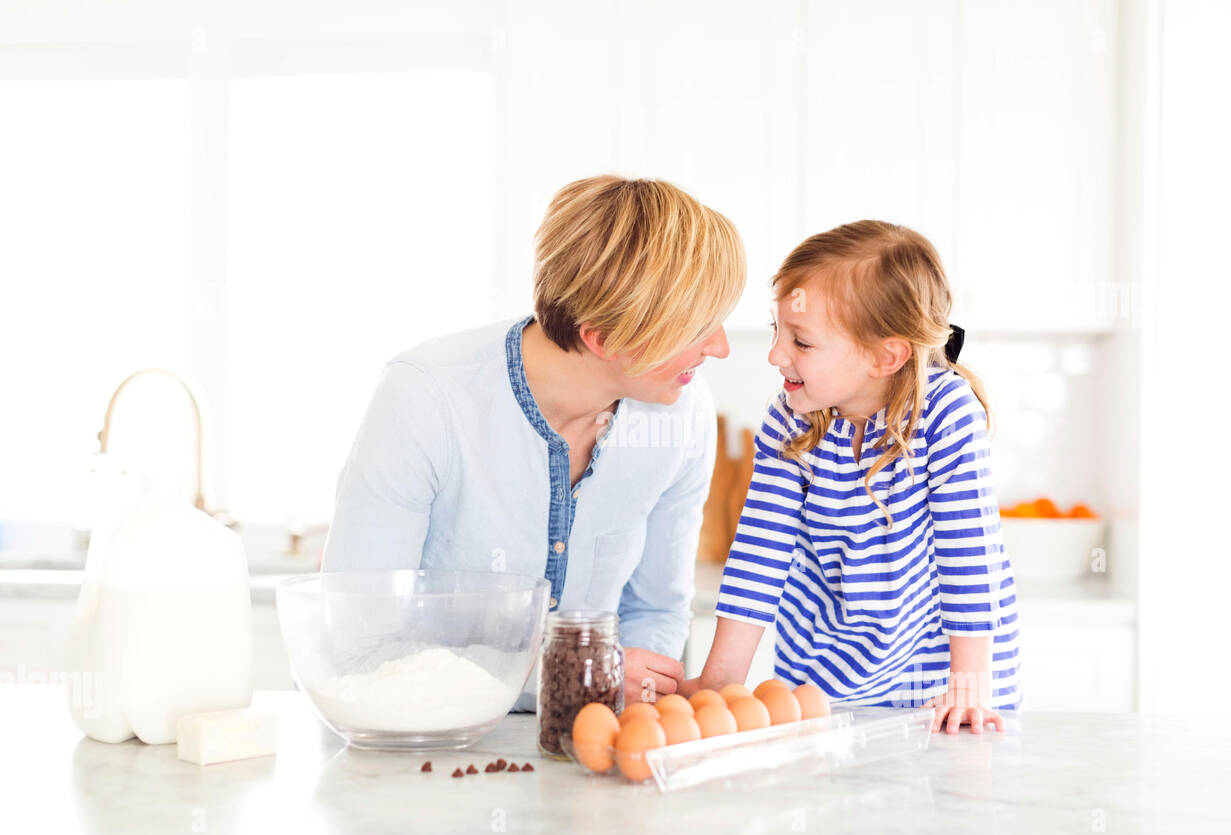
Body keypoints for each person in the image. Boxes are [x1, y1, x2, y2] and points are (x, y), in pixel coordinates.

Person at [321, 175, 744, 709]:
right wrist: (581, 676)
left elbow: (656, 612)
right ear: (604, 339)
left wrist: (620, 692)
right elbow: (359, 638)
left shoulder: (684, 415)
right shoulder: (426, 399)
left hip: (588, 759)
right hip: (420, 745)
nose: (722, 347)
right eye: (698, 327)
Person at [678, 220, 1021, 733]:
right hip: (823, 676)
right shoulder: (791, 418)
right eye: (777, 332)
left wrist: (967, 687)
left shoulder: (946, 414)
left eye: (802, 342)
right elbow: (759, 553)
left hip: (942, 684)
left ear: (886, 355)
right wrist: (718, 684)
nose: (776, 355)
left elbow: (968, 557)